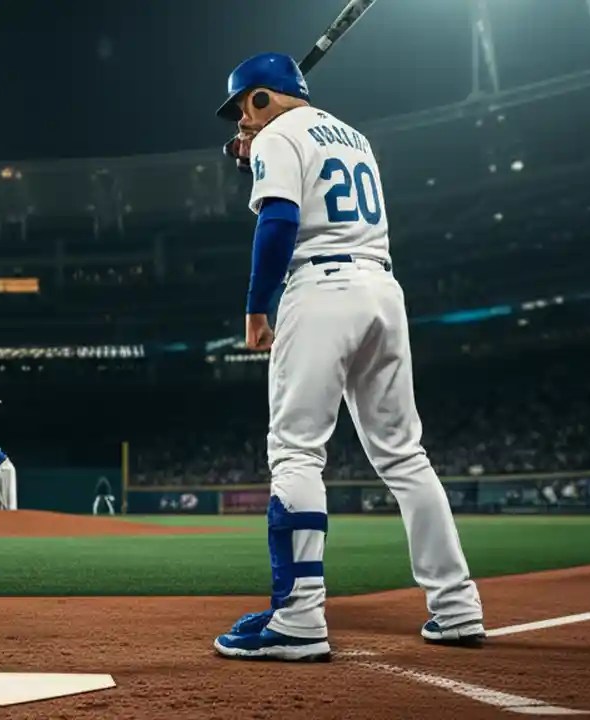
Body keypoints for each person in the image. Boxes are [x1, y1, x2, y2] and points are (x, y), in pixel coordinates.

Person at [211, 53, 484, 662]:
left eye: (243, 108)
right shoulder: (353, 137)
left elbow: (280, 220)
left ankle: (299, 618)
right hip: (381, 290)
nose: (242, 123)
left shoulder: (278, 133)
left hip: (320, 288)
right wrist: (259, 151)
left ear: (263, 97)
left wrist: (257, 307)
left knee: (296, 451)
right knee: (405, 456)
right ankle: (457, 606)